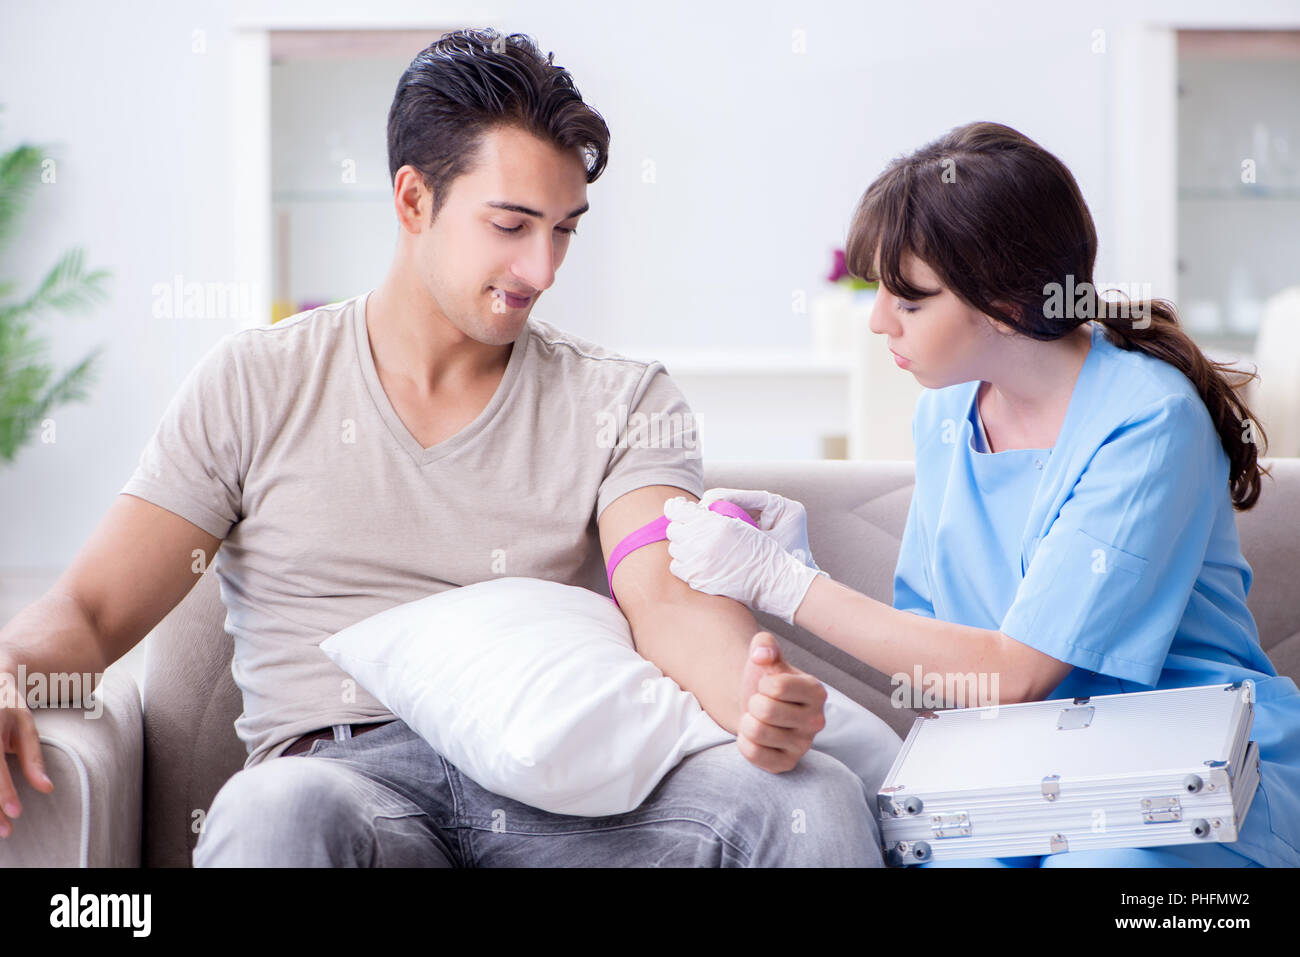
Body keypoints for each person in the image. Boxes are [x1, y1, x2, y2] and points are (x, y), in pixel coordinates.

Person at [0, 29, 880, 867]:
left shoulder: (625, 397)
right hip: (343, 782)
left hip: (571, 795)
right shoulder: (254, 383)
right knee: (272, 809)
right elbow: (91, 612)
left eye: (565, 228)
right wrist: (8, 672)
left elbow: (667, 603)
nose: (542, 267)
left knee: (809, 796)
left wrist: (751, 698)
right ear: (413, 198)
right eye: (511, 224)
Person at [663, 121, 1300, 868]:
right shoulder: (946, 410)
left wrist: (786, 585)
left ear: (1001, 301)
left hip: (1189, 775)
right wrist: (810, 570)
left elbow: (1015, 673)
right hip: (1019, 771)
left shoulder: (1147, 420)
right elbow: (953, 684)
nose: (876, 321)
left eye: (909, 300)